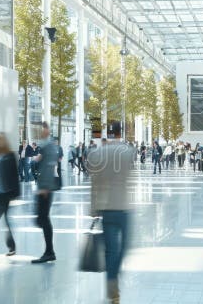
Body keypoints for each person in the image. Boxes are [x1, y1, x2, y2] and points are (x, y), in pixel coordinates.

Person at [87, 122, 134, 304]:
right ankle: (114, 277)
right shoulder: (127, 152)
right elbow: (130, 177)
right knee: (124, 247)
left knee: (110, 249)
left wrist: (93, 208)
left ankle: (111, 283)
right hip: (123, 205)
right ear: (121, 133)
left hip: (106, 207)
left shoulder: (98, 153)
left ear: (109, 133)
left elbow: (94, 183)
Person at [31, 123, 60, 264]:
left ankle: (49, 252)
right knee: (41, 219)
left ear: (47, 130)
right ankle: (49, 251)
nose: (40, 132)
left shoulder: (48, 146)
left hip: (45, 188)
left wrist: (45, 187)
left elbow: (50, 166)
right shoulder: (46, 145)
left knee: (43, 219)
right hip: (44, 187)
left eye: (42, 129)